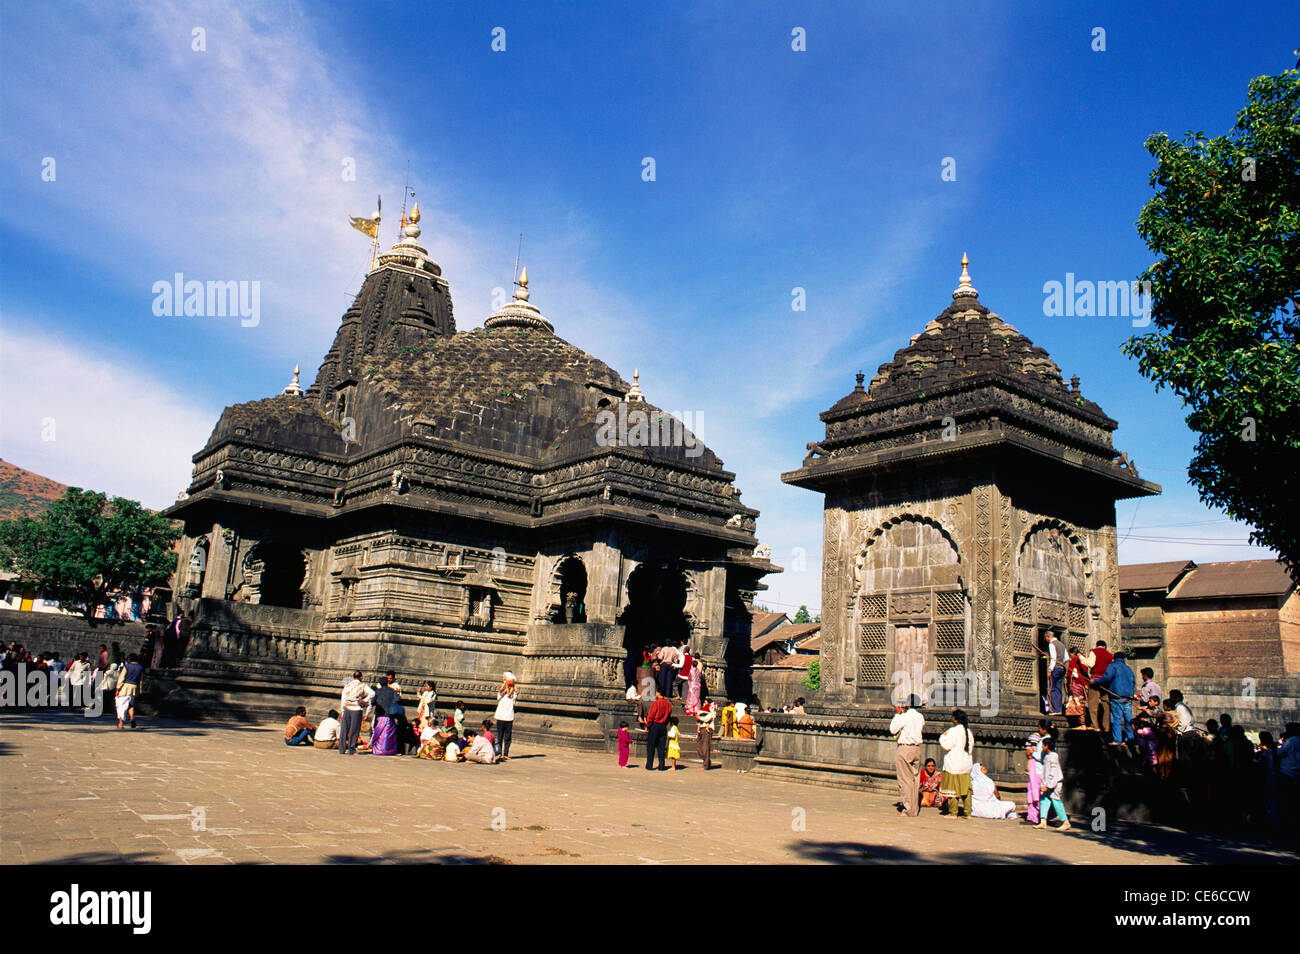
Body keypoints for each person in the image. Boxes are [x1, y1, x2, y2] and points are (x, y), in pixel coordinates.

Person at [890, 695, 925, 817]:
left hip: (905, 748)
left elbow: (893, 729)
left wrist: (897, 714)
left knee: (905, 779)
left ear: (908, 704)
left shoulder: (905, 716)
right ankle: (914, 808)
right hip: (916, 749)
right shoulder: (920, 717)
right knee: (915, 779)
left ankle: (908, 808)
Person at [1093, 650, 1137, 744]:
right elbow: (1133, 682)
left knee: (1116, 719)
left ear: (1114, 658)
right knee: (1128, 719)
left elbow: (1107, 677)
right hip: (1128, 697)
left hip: (1116, 696)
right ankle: (1130, 739)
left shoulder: (1113, 666)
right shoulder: (1129, 669)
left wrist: (1095, 681)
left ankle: (1117, 740)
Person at [938, 709, 975, 818]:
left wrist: (942, 736)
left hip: (954, 764)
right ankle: (967, 813)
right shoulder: (969, 732)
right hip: (966, 764)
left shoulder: (953, 731)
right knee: (966, 790)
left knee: (952, 789)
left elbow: (946, 745)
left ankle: (953, 812)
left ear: (955, 719)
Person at [1035, 738, 1071, 830]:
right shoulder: (1047, 756)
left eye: (1043, 745)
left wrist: (1048, 786)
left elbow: (1053, 772)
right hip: (1048, 784)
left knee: (1056, 801)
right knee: (1044, 801)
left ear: (1047, 746)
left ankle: (1065, 822)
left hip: (1054, 784)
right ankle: (1043, 821)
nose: (1042, 747)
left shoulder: (1053, 756)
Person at [339, 671, 374, 755]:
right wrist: (364, 700)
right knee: (354, 730)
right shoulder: (363, 685)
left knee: (344, 729)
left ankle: (342, 749)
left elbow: (343, 698)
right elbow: (373, 693)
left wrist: (342, 710)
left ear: (353, 677)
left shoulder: (347, 685)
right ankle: (351, 749)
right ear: (361, 677)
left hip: (347, 708)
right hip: (356, 708)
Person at [1082, 639, 1113, 733]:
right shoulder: (1110, 655)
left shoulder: (1094, 652)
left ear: (1097, 645)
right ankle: (1106, 726)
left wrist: (1081, 658)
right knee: (1106, 704)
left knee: (1093, 704)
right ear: (1105, 646)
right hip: (1106, 681)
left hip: (1095, 680)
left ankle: (1095, 725)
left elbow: (1090, 664)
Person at [644, 689, 671, 770]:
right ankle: (661, 766)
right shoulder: (668, 705)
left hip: (655, 725)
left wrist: (647, 725)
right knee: (661, 747)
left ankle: (649, 765)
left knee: (651, 746)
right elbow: (668, 716)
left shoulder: (655, 703)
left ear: (658, 693)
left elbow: (650, 716)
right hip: (663, 726)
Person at [115, 654, 144, 729]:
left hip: (125, 687)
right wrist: (139, 691)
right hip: (134, 687)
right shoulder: (140, 668)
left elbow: (121, 678)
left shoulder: (127, 667)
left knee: (122, 705)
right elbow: (140, 680)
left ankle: (120, 723)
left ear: (130, 659)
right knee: (130, 704)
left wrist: (118, 688)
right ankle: (132, 719)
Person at [495, 672, 518, 761]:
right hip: (500, 717)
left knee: (508, 737)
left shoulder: (513, 695)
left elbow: (515, 690)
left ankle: (506, 753)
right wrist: (505, 684)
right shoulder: (501, 693)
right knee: (500, 736)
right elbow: (501, 690)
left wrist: (511, 686)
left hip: (509, 717)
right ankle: (499, 753)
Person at [1064, 647, 1089, 727]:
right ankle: (1080, 722)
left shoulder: (1074, 660)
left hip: (1076, 683)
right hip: (1083, 685)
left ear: (1072, 653)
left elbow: (1070, 673)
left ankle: (1080, 723)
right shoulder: (1083, 660)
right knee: (1080, 702)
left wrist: (1068, 679)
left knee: (1077, 702)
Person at [1044, 631, 1066, 715]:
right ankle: (1059, 709)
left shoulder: (1052, 644)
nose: (1045, 639)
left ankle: (1054, 709)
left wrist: (1050, 670)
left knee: (1052, 688)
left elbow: (1053, 658)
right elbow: (1066, 658)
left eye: (1045, 638)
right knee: (1058, 689)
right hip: (1061, 668)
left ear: (1048, 636)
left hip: (1055, 668)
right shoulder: (1062, 644)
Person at [1024, 735, 1042, 824]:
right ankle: (1036, 815)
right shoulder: (1039, 739)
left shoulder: (1035, 739)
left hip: (1035, 769)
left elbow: (1029, 753)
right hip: (1037, 768)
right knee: (1035, 792)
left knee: (1033, 792)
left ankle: (1033, 816)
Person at [695, 701, 715, 770]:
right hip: (701, 729)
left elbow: (709, 718)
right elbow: (698, 720)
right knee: (699, 747)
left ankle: (706, 764)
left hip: (707, 729)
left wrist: (699, 718)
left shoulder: (711, 709)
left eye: (705, 702)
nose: (704, 704)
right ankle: (707, 760)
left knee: (705, 747)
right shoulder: (701, 711)